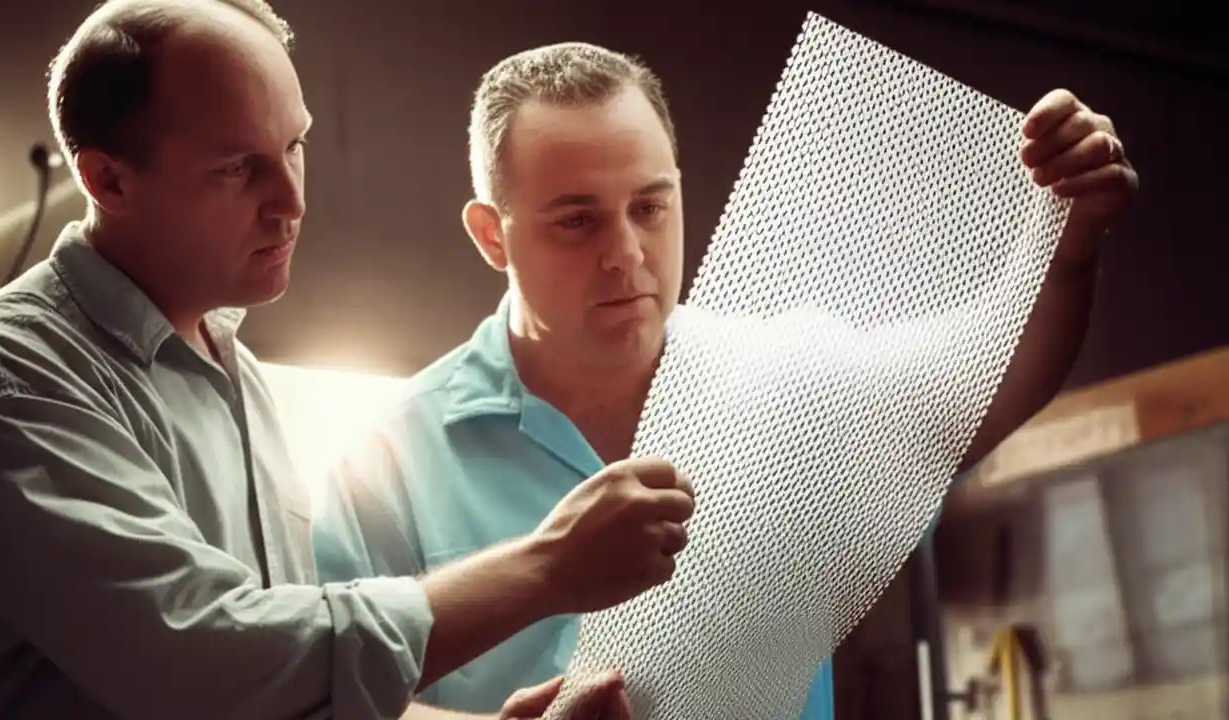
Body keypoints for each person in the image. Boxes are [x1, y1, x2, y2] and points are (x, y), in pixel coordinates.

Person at [311, 42, 1140, 716]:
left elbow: (986, 387)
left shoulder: (790, 384)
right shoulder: (386, 461)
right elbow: (331, 697)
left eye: (650, 205)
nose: (627, 253)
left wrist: (1066, 246)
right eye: (577, 219)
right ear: (493, 235)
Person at [0, 5, 696, 718]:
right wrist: (547, 567)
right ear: (108, 180)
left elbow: (301, 699)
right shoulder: (6, 386)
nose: (291, 201)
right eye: (239, 168)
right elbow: (218, 670)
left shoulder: (230, 375)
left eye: (295, 147)